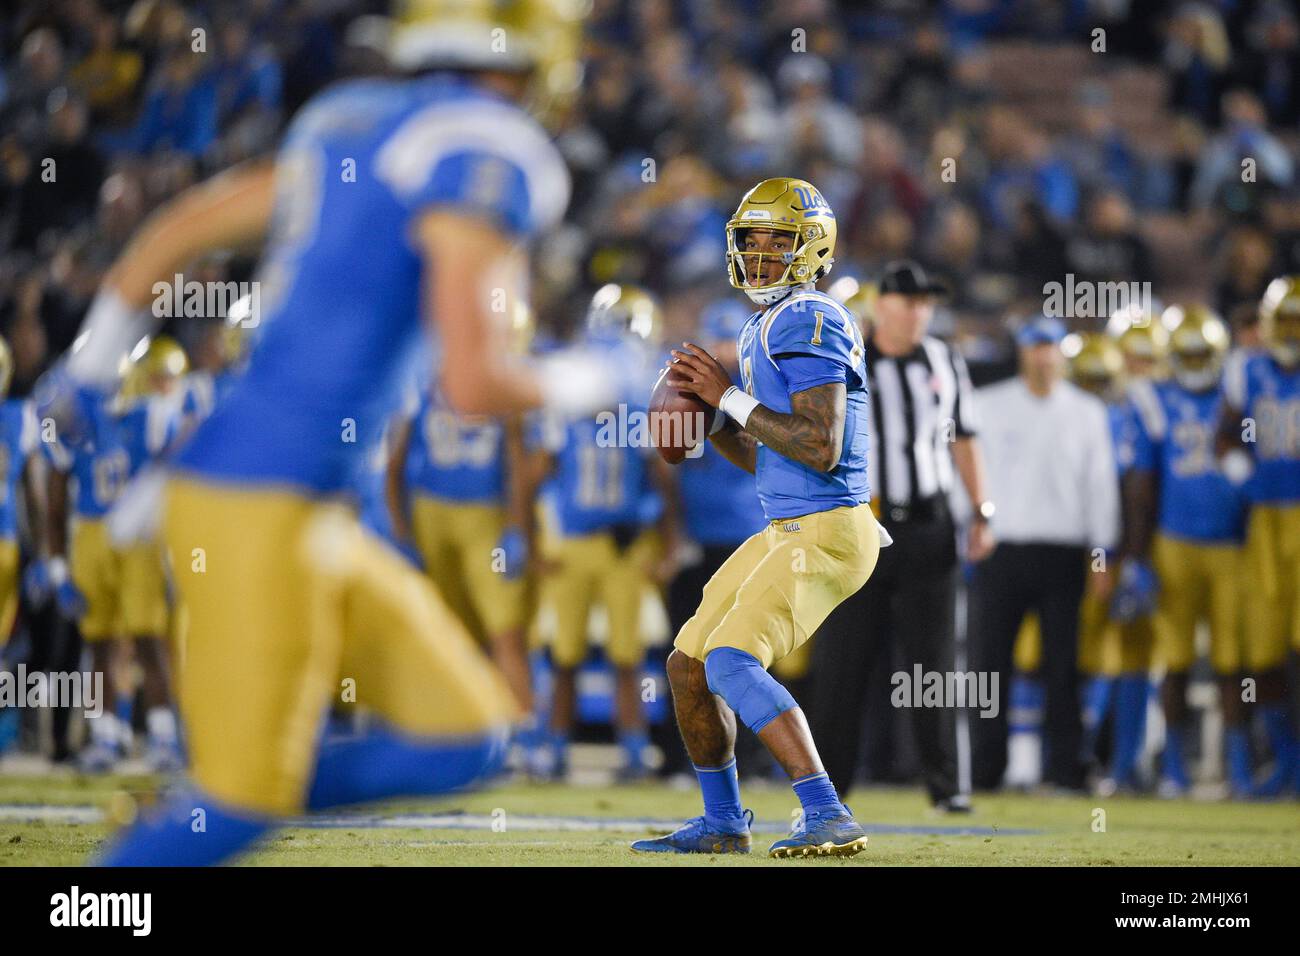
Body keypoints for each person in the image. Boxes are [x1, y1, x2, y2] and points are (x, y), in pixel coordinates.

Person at [36, 0, 614, 866]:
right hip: (255, 503)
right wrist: (606, 371)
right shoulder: (487, 147)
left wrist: (89, 367)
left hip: (305, 511)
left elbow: (183, 226)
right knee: (240, 804)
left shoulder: (349, 120)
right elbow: (476, 382)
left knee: (465, 734)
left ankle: (187, 816)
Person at [632, 177, 886, 858]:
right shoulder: (764, 324)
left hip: (830, 529)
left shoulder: (812, 316)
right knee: (688, 664)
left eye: (780, 241)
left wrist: (730, 397)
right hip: (787, 525)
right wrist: (716, 423)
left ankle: (827, 810)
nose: (763, 255)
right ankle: (723, 824)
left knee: (730, 659)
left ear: (813, 248)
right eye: (753, 241)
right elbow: (777, 460)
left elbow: (822, 446)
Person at [809, 259, 990, 813]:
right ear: (881, 304)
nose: (919, 313)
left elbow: (964, 438)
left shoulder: (943, 358)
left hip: (929, 526)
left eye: (925, 303)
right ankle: (827, 794)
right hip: (859, 526)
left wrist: (982, 511)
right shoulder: (847, 357)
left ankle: (947, 786)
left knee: (935, 666)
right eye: (908, 302)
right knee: (842, 664)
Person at [532, 285, 678, 781]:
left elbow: (661, 476)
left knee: (626, 655)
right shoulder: (568, 413)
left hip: (623, 543)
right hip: (574, 541)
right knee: (565, 654)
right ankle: (552, 745)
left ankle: (633, 747)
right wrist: (530, 541)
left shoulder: (638, 409)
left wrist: (668, 538)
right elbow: (539, 473)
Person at [969, 316, 1119, 792]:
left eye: (1050, 347)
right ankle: (985, 767)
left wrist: (1102, 555)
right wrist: (972, 526)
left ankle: (1066, 767)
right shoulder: (988, 405)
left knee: (1063, 665)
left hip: (1062, 551)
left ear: (1061, 353)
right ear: (1022, 351)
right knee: (989, 664)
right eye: (1035, 347)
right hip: (1002, 547)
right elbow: (967, 473)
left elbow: (1101, 489)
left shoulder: (1086, 412)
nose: (1043, 356)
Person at [1127, 305, 1251, 797]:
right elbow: (1141, 484)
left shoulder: (1235, 398)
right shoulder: (1155, 399)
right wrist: (1137, 557)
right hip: (1174, 544)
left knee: (1233, 664)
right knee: (1174, 663)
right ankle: (1175, 767)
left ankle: (1237, 769)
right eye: (1188, 353)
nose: (1196, 362)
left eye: (1203, 354)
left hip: (1230, 547)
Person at [1217, 276, 1300, 797]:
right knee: (1265, 648)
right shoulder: (1246, 370)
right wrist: (1237, 468)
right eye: (1285, 322)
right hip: (1266, 521)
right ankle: (1286, 764)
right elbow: (1226, 436)